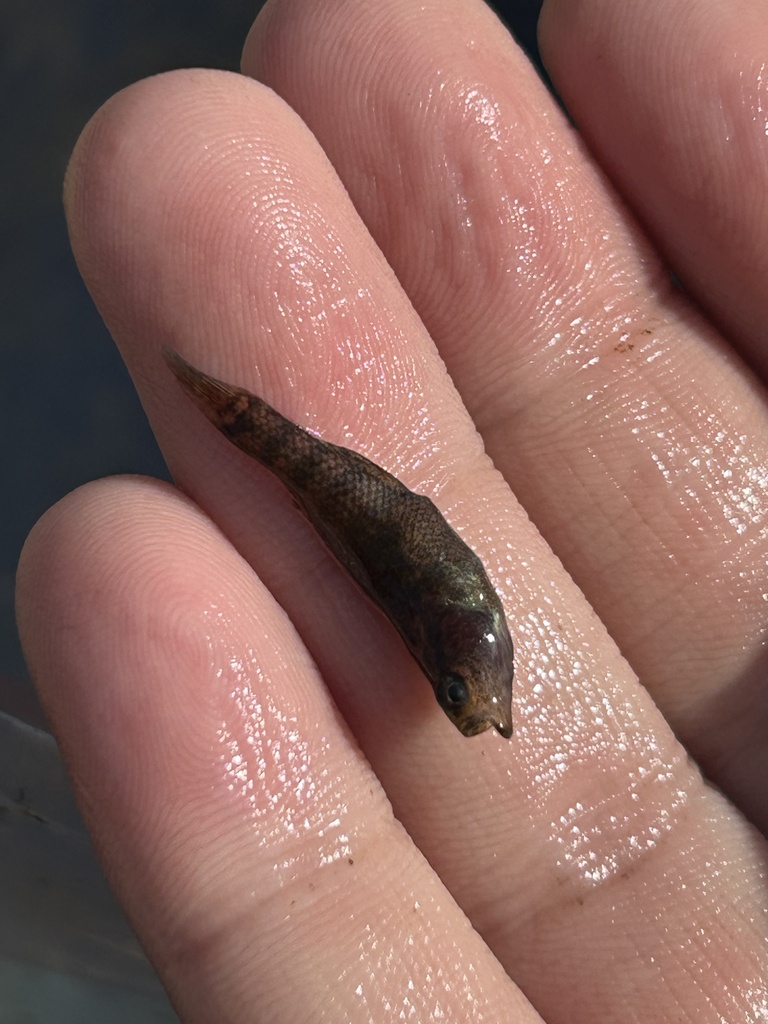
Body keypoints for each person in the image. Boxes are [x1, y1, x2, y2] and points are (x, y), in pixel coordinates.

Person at [16, 0, 768, 1020]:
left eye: (467, 701)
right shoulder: (460, 631)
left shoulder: (467, 640)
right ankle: (230, 406)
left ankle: (232, 409)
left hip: (401, 543)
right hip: (391, 527)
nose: (473, 716)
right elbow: (432, 586)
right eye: (468, 698)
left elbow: (435, 591)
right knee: (289, 461)